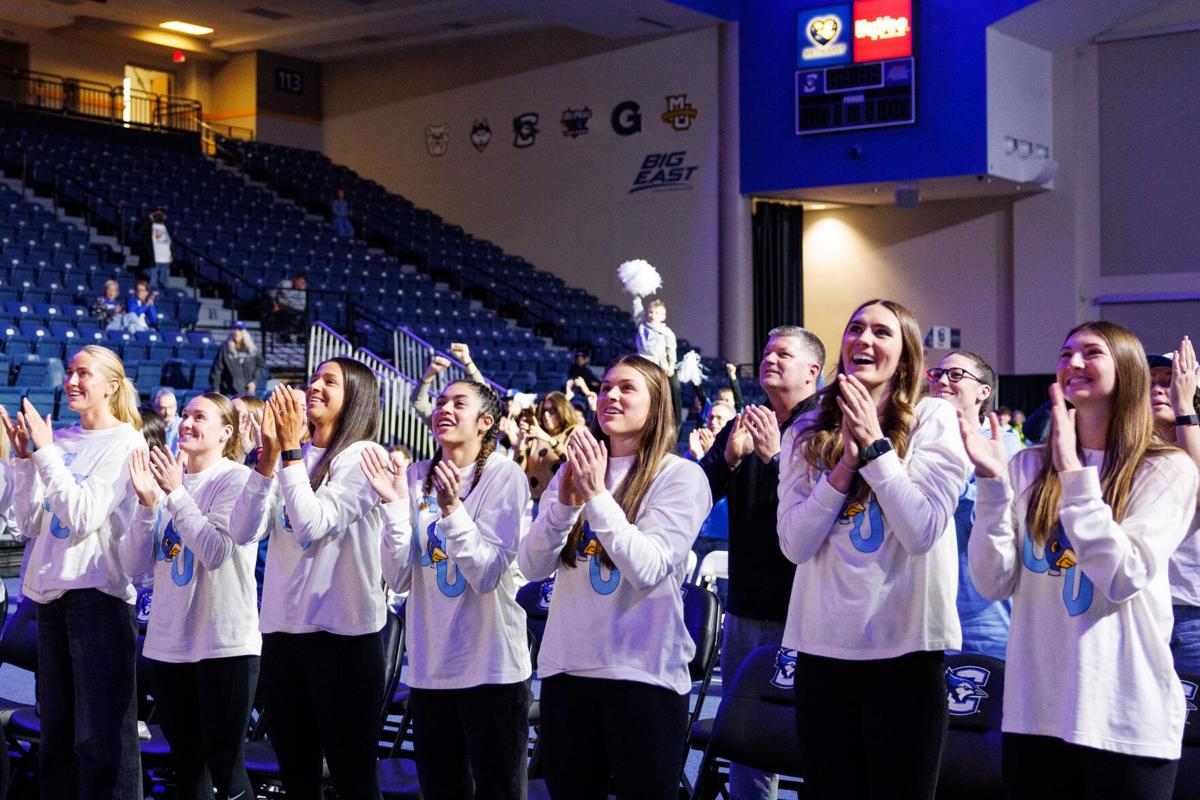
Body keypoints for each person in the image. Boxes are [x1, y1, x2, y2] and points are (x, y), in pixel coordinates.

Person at [965, 321, 1198, 800]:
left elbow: (1122, 576)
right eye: (1066, 352)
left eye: (1091, 353)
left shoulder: (1167, 469)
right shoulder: (1028, 465)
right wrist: (991, 486)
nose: (1073, 363)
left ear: (1128, 370)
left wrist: (1075, 477)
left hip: (1124, 716)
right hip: (1036, 712)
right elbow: (993, 583)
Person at [776, 300, 969, 800]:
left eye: (882, 332)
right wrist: (842, 468)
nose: (864, 339)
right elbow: (795, 544)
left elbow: (922, 530)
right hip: (822, 650)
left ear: (906, 357)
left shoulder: (934, 418)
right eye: (855, 329)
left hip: (904, 651)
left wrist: (876, 448)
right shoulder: (805, 427)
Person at [518, 354, 712, 798]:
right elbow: (531, 567)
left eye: (627, 388)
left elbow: (647, 568)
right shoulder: (573, 470)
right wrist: (565, 506)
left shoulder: (681, 476)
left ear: (657, 403)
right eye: (606, 387)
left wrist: (596, 496)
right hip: (568, 668)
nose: (611, 396)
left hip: (643, 673)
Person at [229, 361, 390, 800]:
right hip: (283, 633)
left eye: (329, 382)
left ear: (354, 397)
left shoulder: (362, 456)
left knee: (353, 779)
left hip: (344, 639)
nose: (314, 386)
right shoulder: (287, 456)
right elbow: (242, 532)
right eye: (314, 379)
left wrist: (291, 451)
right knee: (296, 779)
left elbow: (312, 524)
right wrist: (267, 457)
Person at [369, 380, 532, 799]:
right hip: (430, 667)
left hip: (491, 667)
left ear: (485, 423)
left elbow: (487, 574)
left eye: (459, 403)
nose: (444, 408)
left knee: (499, 791)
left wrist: (453, 511)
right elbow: (399, 578)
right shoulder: (415, 475)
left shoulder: (504, 475)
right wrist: (392, 510)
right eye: (440, 401)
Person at [2, 345, 146, 800]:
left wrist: (44, 456)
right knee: (57, 736)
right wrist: (26, 462)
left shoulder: (126, 441)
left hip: (98, 601)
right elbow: (26, 523)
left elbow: (83, 515)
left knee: (102, 741)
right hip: (49, 598)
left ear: (112, 385)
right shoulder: (59, 439)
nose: (72, 381)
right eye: (70, 372)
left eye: (84, 373)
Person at [699, 325, 824, 799]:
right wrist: (727, 461)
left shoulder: (827, 430)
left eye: (783, 354)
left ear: (813, 371)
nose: (770, 358)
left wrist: (776, 459)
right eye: (767, 351)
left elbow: (819, 517)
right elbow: (697, 497)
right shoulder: (744, 425)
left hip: (807, 611)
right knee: (746, 741)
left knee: (812, 736)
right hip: (746, 608)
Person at [122, 393, 258, 800]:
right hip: (169, 643)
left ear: (226, 432)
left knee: (226, 764)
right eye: (185, 414)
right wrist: (148, 505)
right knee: (186, 766)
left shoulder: (237, 480)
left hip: (224, 643)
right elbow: (135, 567)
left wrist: (176, 495)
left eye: (200, 417)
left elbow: (215, 552)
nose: (187, 423)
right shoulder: (166, 480)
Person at [927, 351, 1022, 660]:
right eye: (937, 374)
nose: (942, 381)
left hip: (981, 614)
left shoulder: (1002, 444)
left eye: (955, 375)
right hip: (925, 611)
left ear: (983, 391)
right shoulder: (918, 439)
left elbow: (975, 510)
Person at [1148, 337, 1200, 675]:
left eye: (1167, 382)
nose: (1156, 390)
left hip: (1195, 614)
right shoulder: (1137, 449)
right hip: (1147, 609)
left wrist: (1185, 410)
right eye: (1149, 383)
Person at [514, 391, 578, 511]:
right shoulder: (536, 436)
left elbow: (571, 461)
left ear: (562, 411)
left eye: (552, 410)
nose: (546, 415)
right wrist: (521, 440)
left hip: (564, 504)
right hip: (538, 503)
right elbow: (518, 470)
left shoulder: (574, 432)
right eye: (543, 411)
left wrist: (548, 439)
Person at [412, 343, 487, 425]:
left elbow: (486, 399)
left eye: (459, 403)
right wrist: (429, 373)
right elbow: (418, 403)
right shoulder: (440, 421)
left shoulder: (476, 422)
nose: (445, 408)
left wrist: (467, 361)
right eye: (440, 403)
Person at [633, 297, 681, 423]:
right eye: (650, 312)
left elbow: (671, 350)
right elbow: (637, 311)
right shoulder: (642, 325)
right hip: (642, 363)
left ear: (663, 316)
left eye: (656, 313)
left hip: (658, 366)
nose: (652, 315)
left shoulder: (667, 332)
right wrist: (636, 297)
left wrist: (671, 366)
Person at [209, 322, 263, 396]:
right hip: (229, 391)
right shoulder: (225, 349)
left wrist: (254, 381)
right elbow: (217, 370)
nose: (236, 332)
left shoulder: (253, 349)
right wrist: (216, 389)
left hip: (248, 391)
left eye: (239, 330)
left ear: (244, 332)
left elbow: (260, 366)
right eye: (234, 330)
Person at [137, 208, 173, 291]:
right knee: (152, 283)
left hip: (166, 260)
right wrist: (148, 219)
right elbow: (139, 231)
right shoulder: (148, 227)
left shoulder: (167, 228)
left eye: (161, 214)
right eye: (156, 214)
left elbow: (170, 243)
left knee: (164, 283)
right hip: (153, 260)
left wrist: (171, 255)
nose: (159, 216)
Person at [272, 273, 308, 344]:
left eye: (303, 283)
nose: (300, 284)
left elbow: (303, 304)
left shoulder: (303, 289)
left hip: (294, 308)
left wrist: (292, 306)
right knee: (285, 313)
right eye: (299, 281)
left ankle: (301, 337)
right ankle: (284, 335)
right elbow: (272, 294)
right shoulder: (284, 284)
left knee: (303, 316)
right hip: (280, 305)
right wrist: (274, 304)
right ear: (295, 280)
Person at [154, 388, 180, 453]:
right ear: (155, 408)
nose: (167, 412)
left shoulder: (183, 427)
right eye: (163, 408)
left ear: (176, 407)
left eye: (170, 407)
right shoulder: (151, 427)